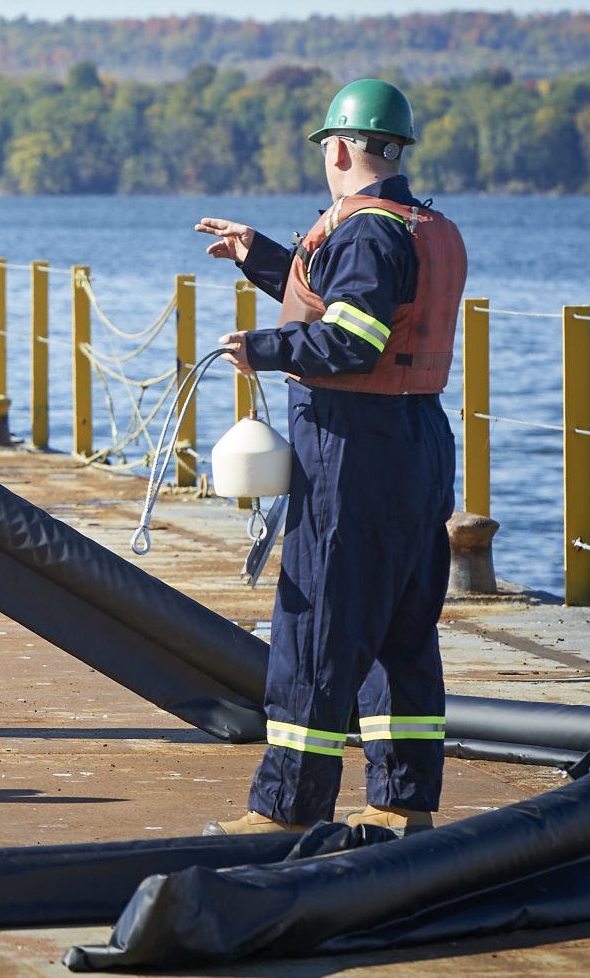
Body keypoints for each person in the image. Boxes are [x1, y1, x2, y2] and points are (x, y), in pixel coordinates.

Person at [195, 79, 467, 838]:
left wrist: (261, 346)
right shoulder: (419, 225)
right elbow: (360, 300)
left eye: (326, 148)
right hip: (418, 445)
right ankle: (404, 801)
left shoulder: (367, 231)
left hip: (354, 449)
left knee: (316, 627)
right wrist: (263, 259)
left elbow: (353, 337)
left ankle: (286, 810)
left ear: (340, 147)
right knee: (402, 629)